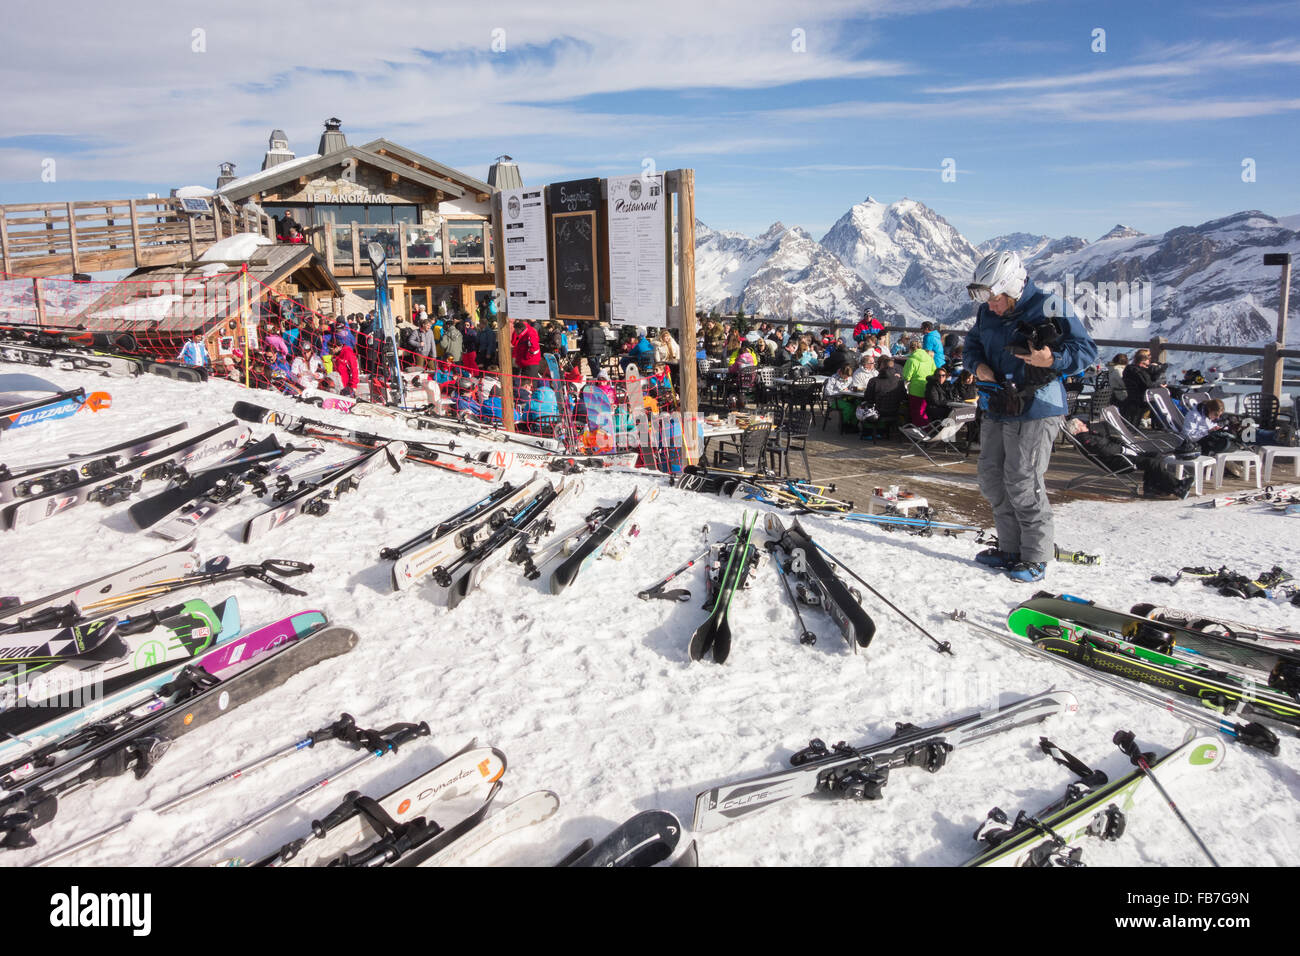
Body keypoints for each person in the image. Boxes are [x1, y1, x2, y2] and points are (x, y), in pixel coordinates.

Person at [964, 250, 1098, 582]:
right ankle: (1010, 549)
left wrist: (1050, 358)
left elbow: (1086, 351)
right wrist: (978, 366)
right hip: (998, 402)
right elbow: (972, 346)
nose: (990, 304)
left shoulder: (1051, 305)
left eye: (995, 298)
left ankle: (1035, 556)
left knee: (1023, 479)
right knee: (992, 477)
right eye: (986, 297)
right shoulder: (987, 313)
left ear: (1012, 286)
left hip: (1037, 405)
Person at [1121, 349, 1164, 426]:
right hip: (1141, 398)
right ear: (1144, 360)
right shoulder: (1139, 371)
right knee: (1162, 398)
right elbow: (1148, 385)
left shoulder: (1129, 368)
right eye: (1149, 358)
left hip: (1130, 397)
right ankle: (1159, 423)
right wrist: (1159, 385)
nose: (1150, 361)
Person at [901, 337, 936, 426]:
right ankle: (927, 429)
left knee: (916, 412)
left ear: (911, 349)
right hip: (927, 388)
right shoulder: (930, 359)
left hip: (915, 389)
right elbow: (934, 372)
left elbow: (906, 376)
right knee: (924, 411)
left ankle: (918, 431)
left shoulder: (911, 360)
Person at [823, 363, 861, 432]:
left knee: (858, 405)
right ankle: (844, 424)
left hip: (846, 398)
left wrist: (852, 389)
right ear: (840, 373)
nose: (846, 378)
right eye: (845, 377)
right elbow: (827, 392)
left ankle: (853, 425)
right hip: (834, 400)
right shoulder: (833, 378)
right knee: (848, 407)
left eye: (848, 377)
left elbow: (851, 388)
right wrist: (841, 392)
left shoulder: (849, 378)